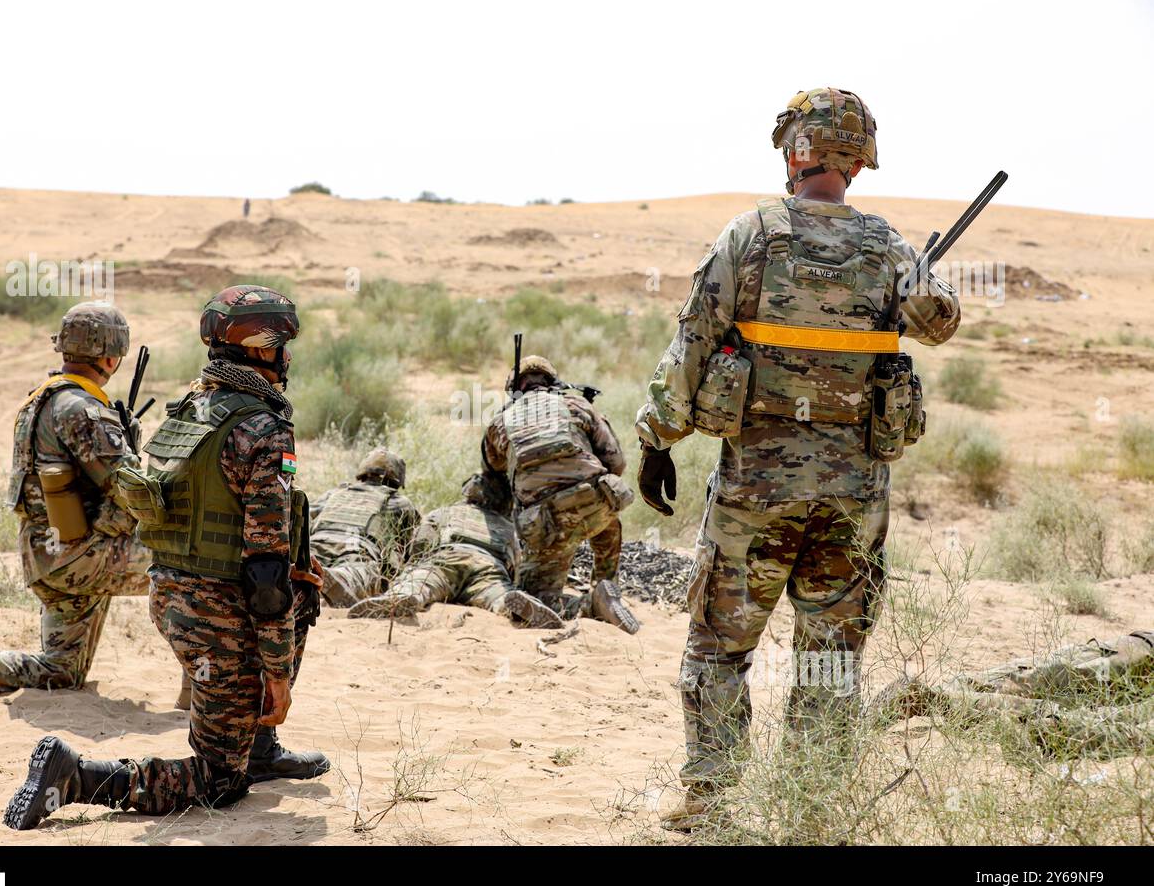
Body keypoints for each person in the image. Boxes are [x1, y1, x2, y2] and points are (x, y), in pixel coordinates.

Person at [636, 88, 961, 831]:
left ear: (796, 151)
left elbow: (693, 339)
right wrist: (918, 279)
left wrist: (657, 438)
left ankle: (713, 801)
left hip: (756, 491)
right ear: (857, 160)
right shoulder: (887, 246)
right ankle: (812, 809)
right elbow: (940, 324)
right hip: (852, 497)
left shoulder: (750, 235)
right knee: (830, 657)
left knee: (719, 647)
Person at [2, 285, 321, 830]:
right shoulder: (265, 428)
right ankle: (77, 775)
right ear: (263, 348)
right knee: (220, 782)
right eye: (282, 345)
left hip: (170, 597)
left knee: (305, 581)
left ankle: (259, 746)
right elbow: (264, 570)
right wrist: (277, 673)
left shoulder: (194, 406)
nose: (287, 356)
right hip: (220, 617)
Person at [0, 302, 151, 701]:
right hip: (83, 558)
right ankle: (202, 690)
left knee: (61, 672)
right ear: (110, 355)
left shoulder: (40, 400)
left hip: (44, 557)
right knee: (188, 568)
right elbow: (131, 493)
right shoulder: (84, 410)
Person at [482, 355, 638, 634]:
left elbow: (492, 474)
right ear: (551, 380)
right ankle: (607, 587)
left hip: (547, 524)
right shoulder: (578, 405)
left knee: (530, 601)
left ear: (514, 389)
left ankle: (591, 605)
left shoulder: (500, 422)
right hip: (597, 508)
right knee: (607, 516)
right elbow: (617, 463)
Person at [873, 630, 1154, 759]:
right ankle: (931, 698)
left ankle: (935, 696)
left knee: (1038, 686)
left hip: (1133, 661)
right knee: (1045, 682)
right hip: (1140, 662)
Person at [348, 472, 562, 628]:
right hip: (488, 565)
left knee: (420, 582)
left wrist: (413, 566)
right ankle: (509, 604)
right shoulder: (508, 525)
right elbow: (516, 562)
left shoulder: (445, 512)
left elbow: (421, 544)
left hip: (446, 558)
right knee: (496, 593)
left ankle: (405, 595)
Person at [309, 447, 421, 607]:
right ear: (396, 477)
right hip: (357, 548)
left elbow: (305, 516)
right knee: (363, 571)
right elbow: (407, 548)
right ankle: (339, 578)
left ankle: (306, 574)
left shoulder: (334, 493)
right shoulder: (398, 502)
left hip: (318, 542)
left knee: (309, 562)